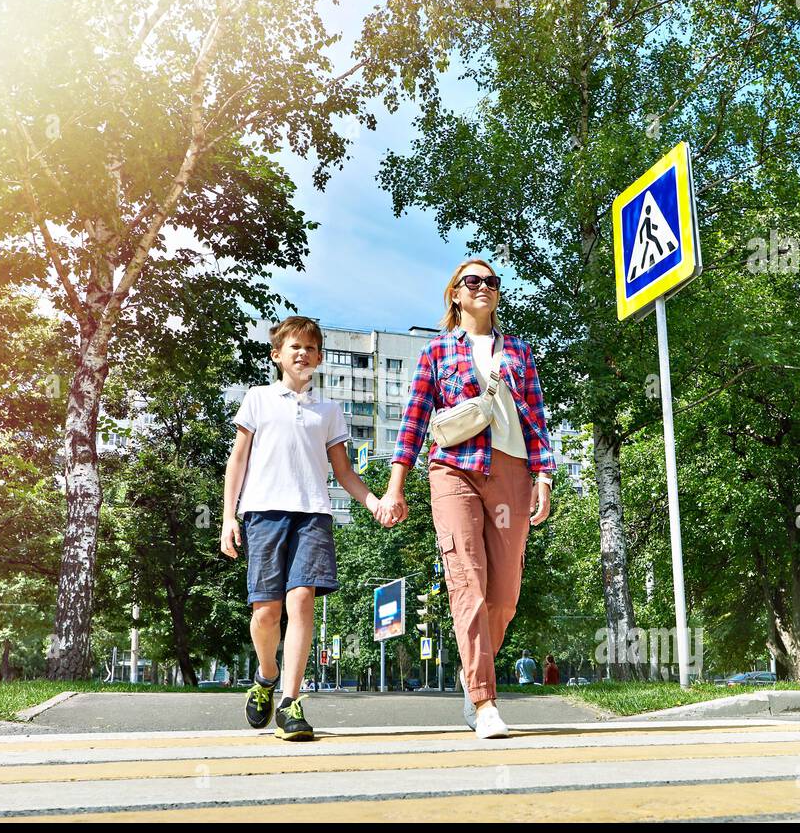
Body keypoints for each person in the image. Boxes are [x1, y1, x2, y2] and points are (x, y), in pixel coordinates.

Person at [379, 258, 555, 739]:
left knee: (504, 597)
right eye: (472, 281)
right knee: (468, 584)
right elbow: (414, 420)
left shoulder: (518, 351)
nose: (483, 287)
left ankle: (469, 669)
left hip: (513, 473)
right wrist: (395, 486)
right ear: (455, 294)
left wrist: (544, 475)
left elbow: (536, 418)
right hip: (454, 469)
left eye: (491, 282)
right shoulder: (437, 351)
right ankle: (484, 701)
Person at [221, 316, 381, 741]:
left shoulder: (328, 410)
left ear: (320, 358)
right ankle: (266, 676)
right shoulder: (257, 399)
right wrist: (227, 518)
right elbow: (237, 460)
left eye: (310, 348)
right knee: (266, 612)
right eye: (294, 346)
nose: (302, 353)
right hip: (262, 514)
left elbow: (343, 472)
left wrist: (374, 502)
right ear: (277, 355)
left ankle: (290, 703)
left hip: (312, 515)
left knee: (302, 602)